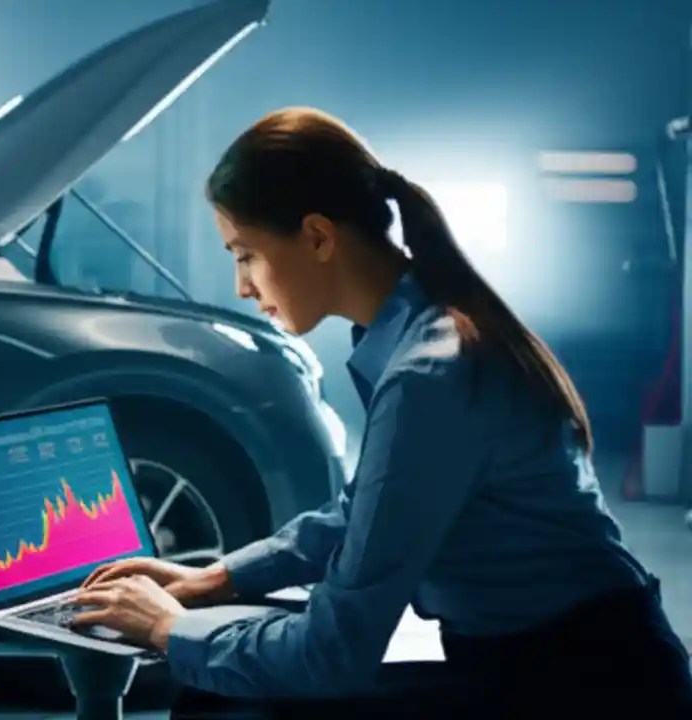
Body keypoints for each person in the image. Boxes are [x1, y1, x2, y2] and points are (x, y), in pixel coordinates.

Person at [69, 107, 692, 717]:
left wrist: (168, 630)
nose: (242, 286)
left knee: (223, 702)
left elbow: (332, 655)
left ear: (316, 236)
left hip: (584, 689)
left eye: (245, 254)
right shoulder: (425, 332)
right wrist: (216, 581)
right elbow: (367, 509)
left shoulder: (429, 374)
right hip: (566, 663)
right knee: (222, 685)